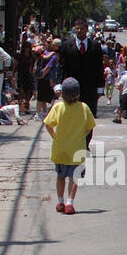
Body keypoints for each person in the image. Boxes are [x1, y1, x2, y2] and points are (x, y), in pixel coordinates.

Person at [43, 77, 95, 214]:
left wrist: (55, 137)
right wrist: (82, 136)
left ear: (62, 94)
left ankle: (60, 201)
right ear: (78, 94)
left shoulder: (58, 107)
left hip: (60, 149)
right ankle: (69, 203)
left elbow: (48, 124)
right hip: (77, 149)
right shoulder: (83, 108)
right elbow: (90, 127)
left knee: (60, 176)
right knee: (74, 177)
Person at [57, 17, 106, 132]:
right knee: (72, 118)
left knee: (87, 119)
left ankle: (85, 145)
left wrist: (100, 88)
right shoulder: (66, 45)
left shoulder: (95, 46)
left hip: (90, 89)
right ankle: (74, 143)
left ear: (86, 29)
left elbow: (99, 68)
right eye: (77, 28)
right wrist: (59, 85)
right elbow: (61, 67)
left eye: (81, 28)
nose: (79, 31)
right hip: (71, 88)